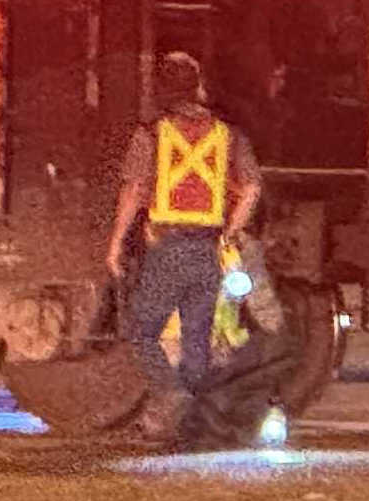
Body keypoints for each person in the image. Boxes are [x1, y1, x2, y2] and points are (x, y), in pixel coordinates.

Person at [109, 50, 262, 446]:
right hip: (208, 248)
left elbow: (133, 190)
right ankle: (192, 426)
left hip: (168, 245)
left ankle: (169, 393)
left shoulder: (152, 133)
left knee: (142, 331)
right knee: (198, 339)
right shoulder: (227, 134)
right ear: (198, 86)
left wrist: (115, 244)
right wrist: (229, 233)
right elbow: (251, 188)